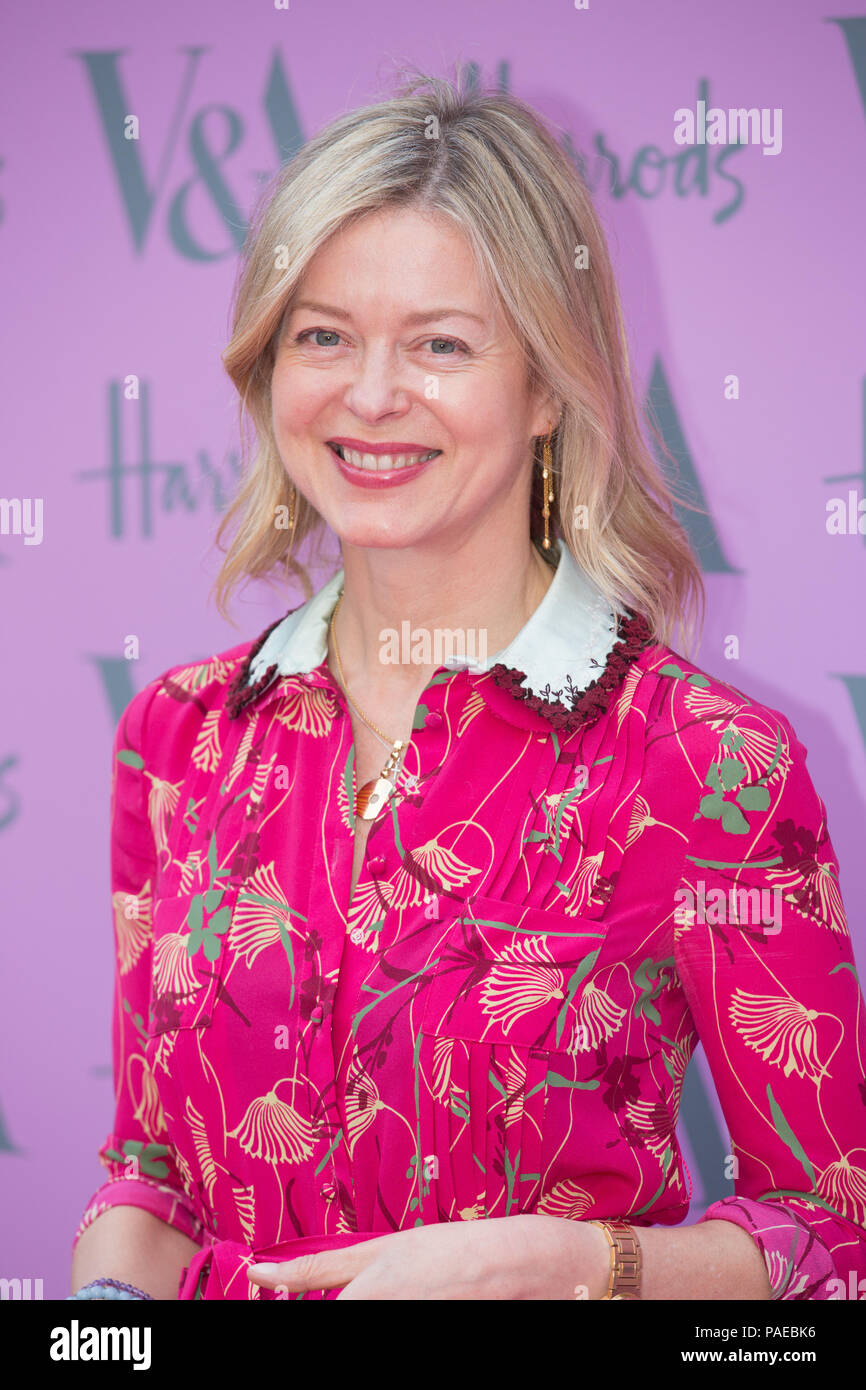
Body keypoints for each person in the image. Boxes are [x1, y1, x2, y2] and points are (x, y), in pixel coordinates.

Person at [70, 69, 866, 1302]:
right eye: (321, 335)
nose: (371, 395)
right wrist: (104, 1314)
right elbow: (151, 1158)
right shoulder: (176, 736)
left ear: (548, 387)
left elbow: (829, 1241)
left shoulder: (707, 762)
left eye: (440, 345)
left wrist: (573, 1266)